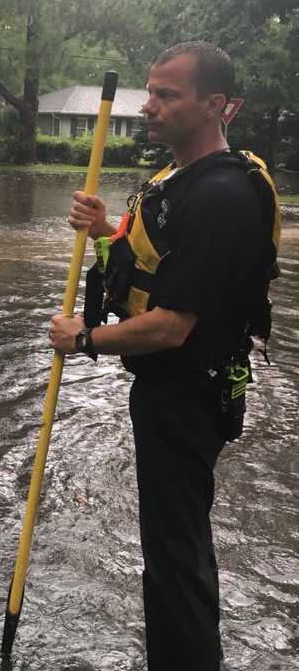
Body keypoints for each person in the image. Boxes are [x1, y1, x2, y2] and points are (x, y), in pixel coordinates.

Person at [48, 42, 280, 671]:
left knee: (176, 557)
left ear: (215, 105)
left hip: (189, 395)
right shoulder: (179, 178)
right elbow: (153, 264)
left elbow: (173, 326)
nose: (148, 106)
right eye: (150, 92)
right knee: (172, 546)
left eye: (167, 95)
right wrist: (105, 230)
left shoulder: (222, 196)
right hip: (167, 389)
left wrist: (83, 340)